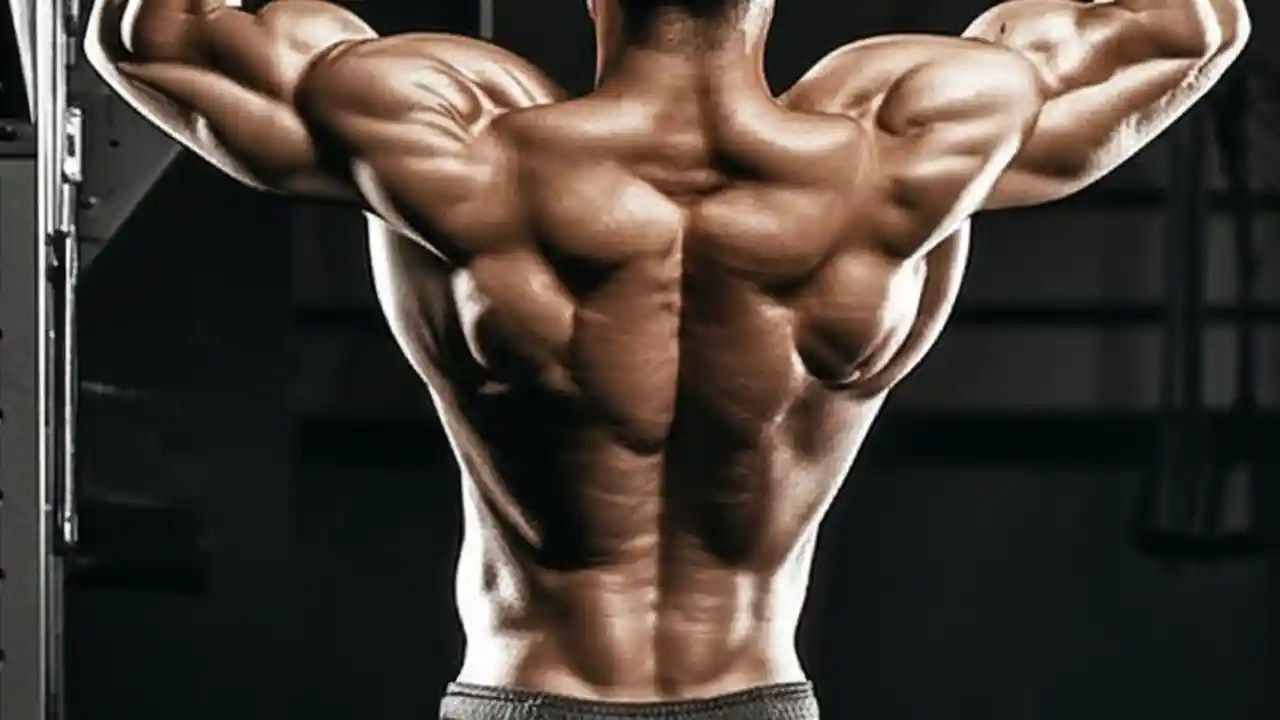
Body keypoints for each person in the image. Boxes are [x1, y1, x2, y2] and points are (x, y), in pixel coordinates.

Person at [84, 0, 1249, 717]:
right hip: (754, 699)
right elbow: (1187, 25)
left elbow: (155, 33)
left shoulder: (452, 144)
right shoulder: (904, 151)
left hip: (524, 697)